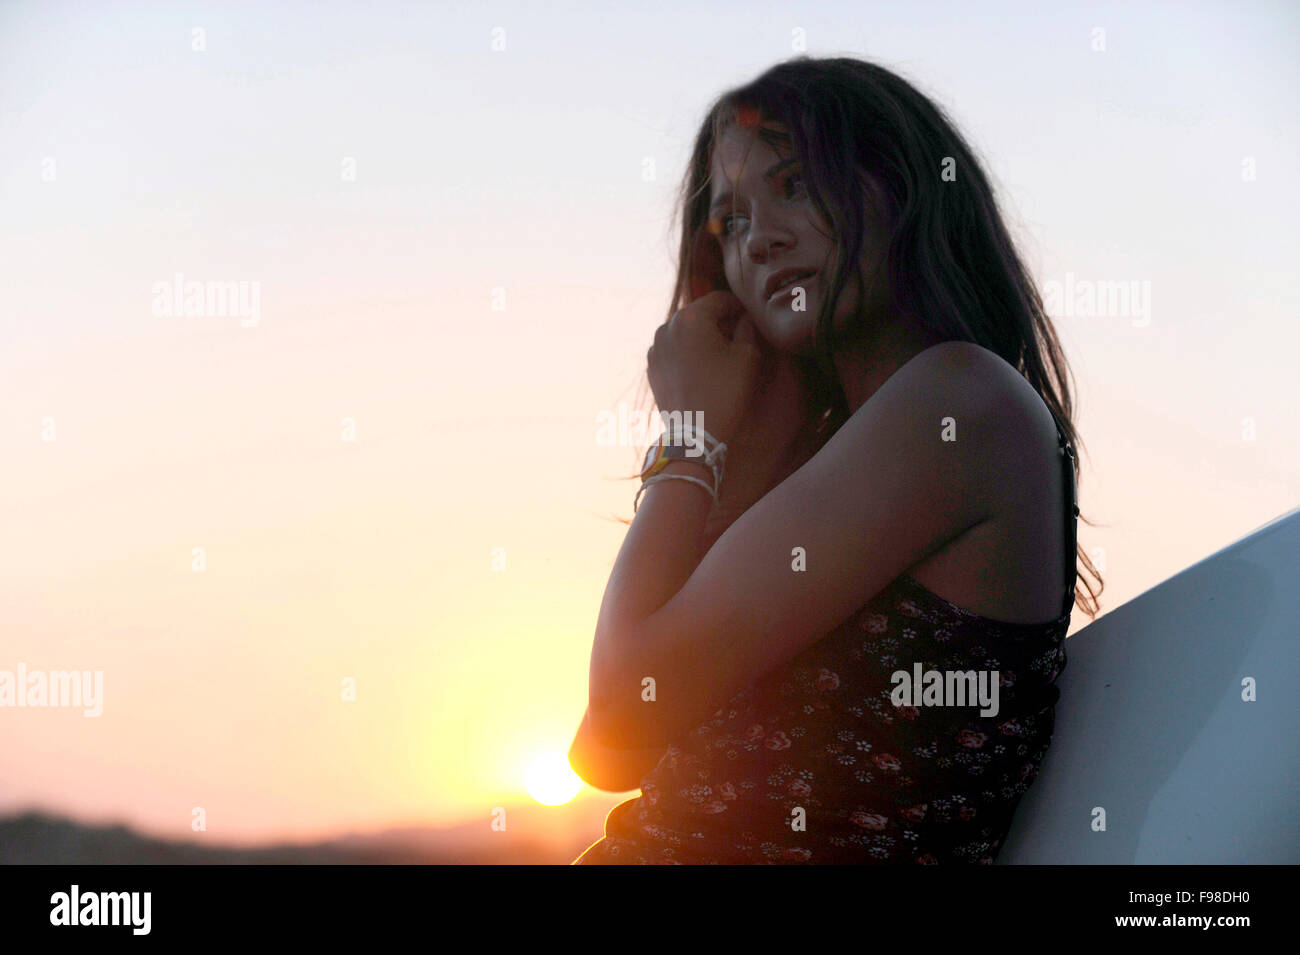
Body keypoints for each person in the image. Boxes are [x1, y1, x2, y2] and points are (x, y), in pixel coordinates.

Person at [569, 55, 1103, 864]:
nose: (765, 238)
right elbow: (612, 756)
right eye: (733, 222)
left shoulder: (958, 405)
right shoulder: (822, 459)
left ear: (904, 188)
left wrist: (689, 438)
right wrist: (735, 446)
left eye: (795, 184)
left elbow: (621, 711)